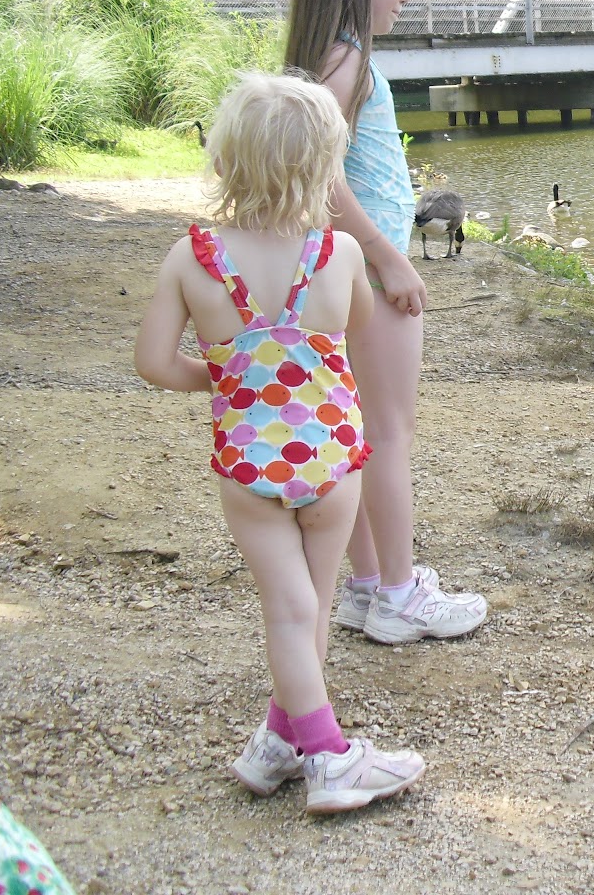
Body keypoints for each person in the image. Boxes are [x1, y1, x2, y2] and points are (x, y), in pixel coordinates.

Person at [134, 74, 425, 813]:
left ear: (225, 159)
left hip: (248, 466)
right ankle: (328, 757)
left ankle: (280, 741)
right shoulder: (338, 254)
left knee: (289, 610)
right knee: (313, 608)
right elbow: (353, 339)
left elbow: (155, 364)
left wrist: (221, 376)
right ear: (326, 169)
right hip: (332, 460)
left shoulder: (191, 258)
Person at [284, 0, 487, 644]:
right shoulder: (348, 62)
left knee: (364, 433)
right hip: (364, 273)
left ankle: (370, 586)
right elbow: (321, 174)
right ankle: (400, 592)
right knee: (390, 432)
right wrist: (389, 255)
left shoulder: (326, 55)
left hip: (339, 271)